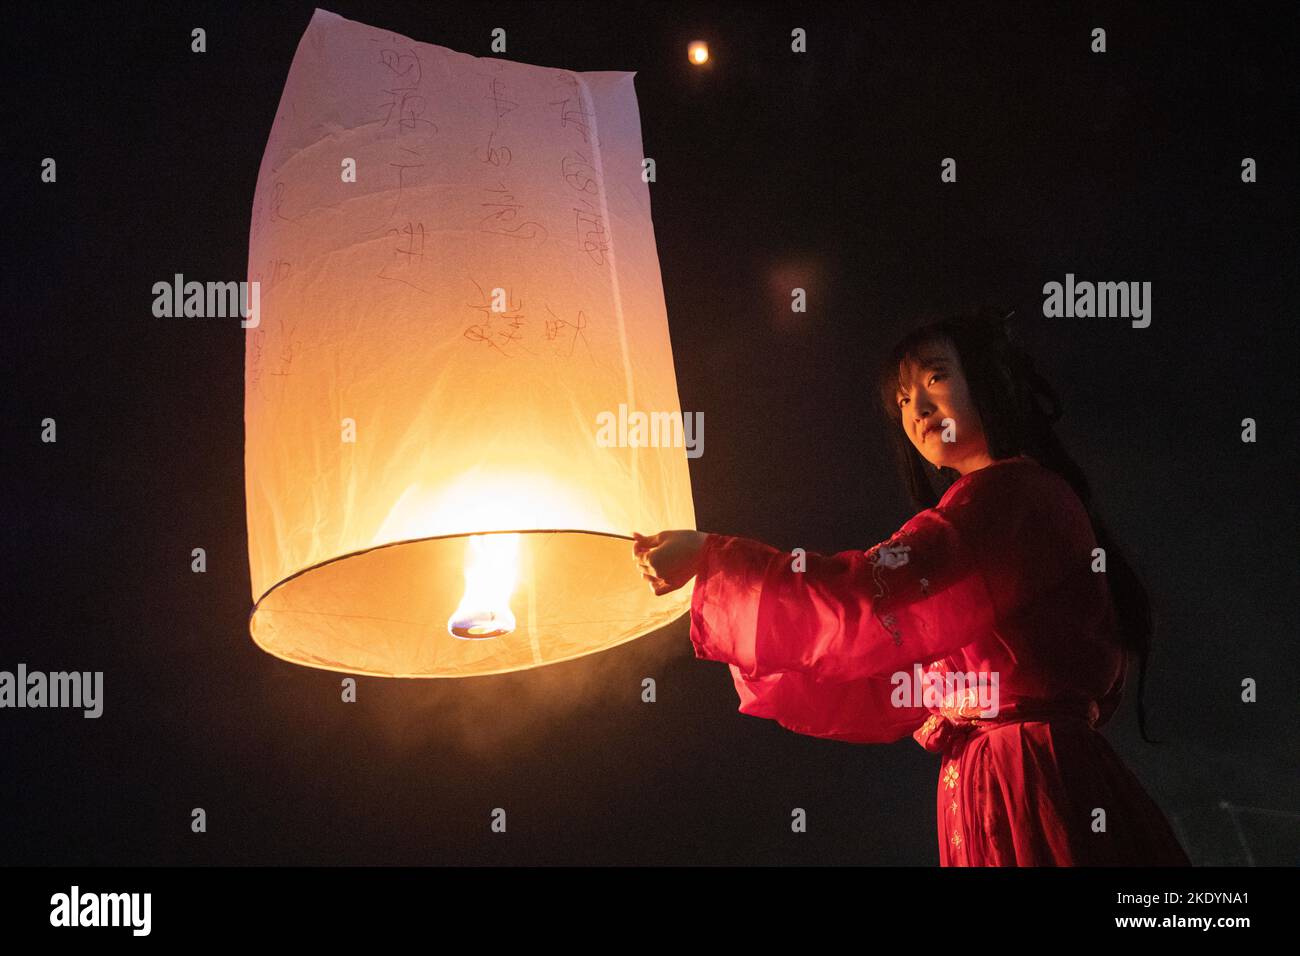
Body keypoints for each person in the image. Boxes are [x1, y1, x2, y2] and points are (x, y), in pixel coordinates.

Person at [631, 308, 1190, 866]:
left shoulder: (1012, 498)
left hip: (1034, 782)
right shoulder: (989, 505)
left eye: (936, 378)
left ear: (990, 379)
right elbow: (883, 681)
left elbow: (867, 605)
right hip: (994, 783)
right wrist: (726, 593)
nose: (916, 408)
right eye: (902, 398)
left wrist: (718, 564)